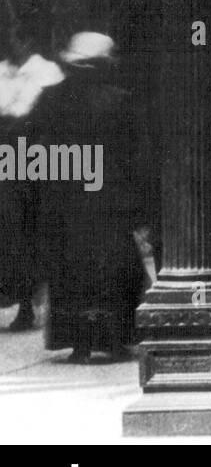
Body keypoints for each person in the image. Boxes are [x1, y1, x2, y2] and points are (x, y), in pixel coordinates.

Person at [33, 32, 149, 362]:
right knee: (112, 271)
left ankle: (78, 341)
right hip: (108, 202)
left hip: (65, 201)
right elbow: (133, 157)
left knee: (70, 272)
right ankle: (111, 338)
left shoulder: (50, 100)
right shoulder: (118, 101)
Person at [0, 26, 64, 331]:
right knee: (11, 235)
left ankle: (30, 304)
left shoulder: (44, 74)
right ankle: (22, 300)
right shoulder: (4, 75)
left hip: (36, 165)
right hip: (7, 168)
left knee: (30, 234)